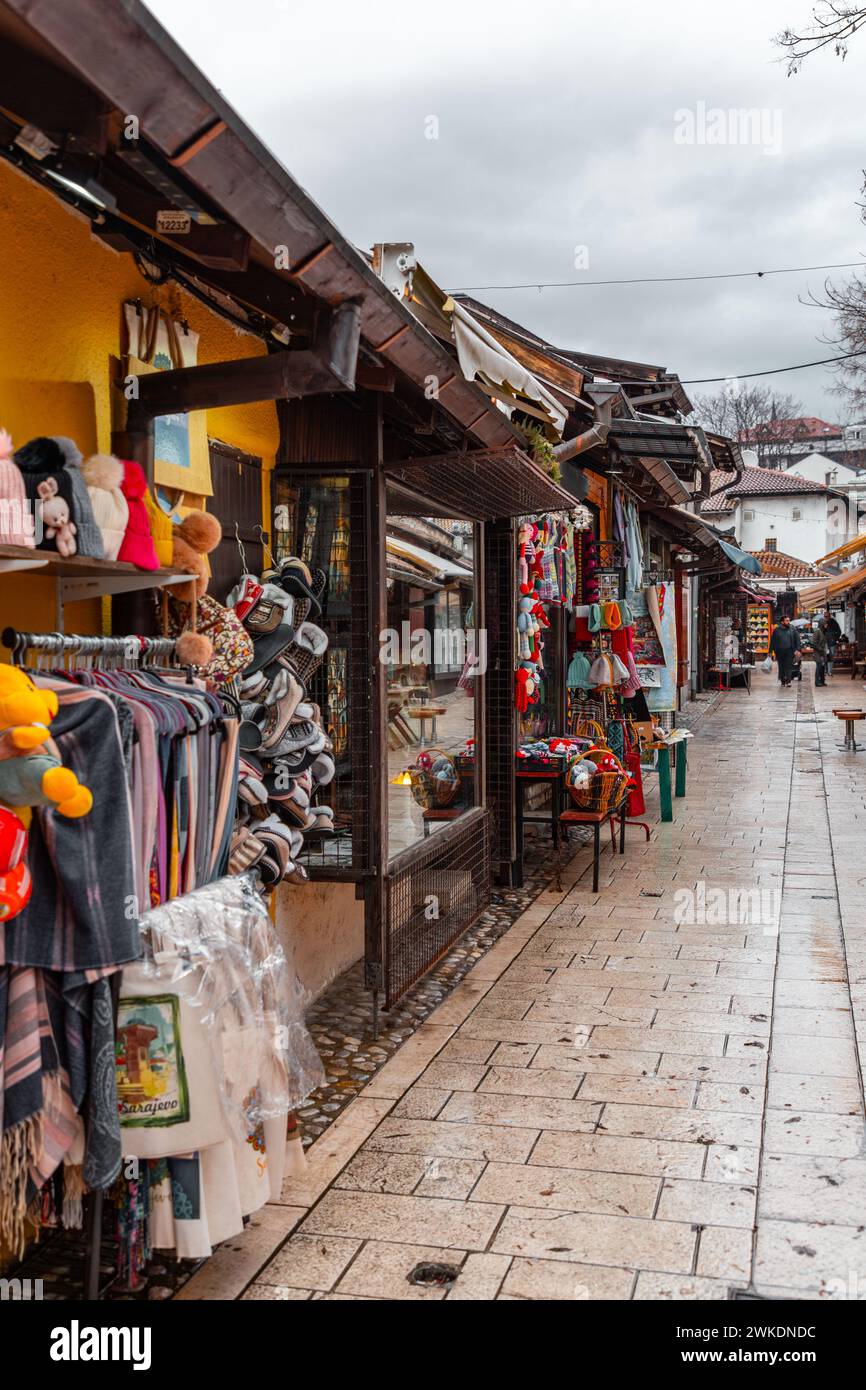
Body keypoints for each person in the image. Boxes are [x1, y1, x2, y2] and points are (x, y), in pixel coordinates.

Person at [769, 615, 801, 687]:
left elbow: (797, 639)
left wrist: (798, 649)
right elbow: (772, 641)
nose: (788, 622)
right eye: (787, 621)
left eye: (789, 620)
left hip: (790, 651)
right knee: (781, 666)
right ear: (782, 622)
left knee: (789, 666)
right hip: (779, 652)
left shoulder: (792, 628)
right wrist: (770, 651)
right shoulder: (777, 630)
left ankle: (788, 681)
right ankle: (783, 681)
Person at [823, 609, 841, 675]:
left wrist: (835, 638)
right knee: (825, 656)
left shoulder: (833, 622)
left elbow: (839, 631)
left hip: (832, 642)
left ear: (829, 616)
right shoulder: (822, 622)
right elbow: (820, 632)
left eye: (827, 616)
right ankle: (825, 670)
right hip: (825, 642)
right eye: (825, 616)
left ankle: (829, 671)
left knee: (831, 656)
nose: (826, 617)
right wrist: (824, 628)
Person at [811, 619, 828, 686]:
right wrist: (820, 649)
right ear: (822, 624)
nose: (826, 625)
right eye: (825, 624)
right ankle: (817, 682)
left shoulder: (824, 632)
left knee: (823, 667)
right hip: (817, 652)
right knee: (819, 666)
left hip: (823, 652)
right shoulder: (817, 632)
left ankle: (822, 681)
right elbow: (814, 643)